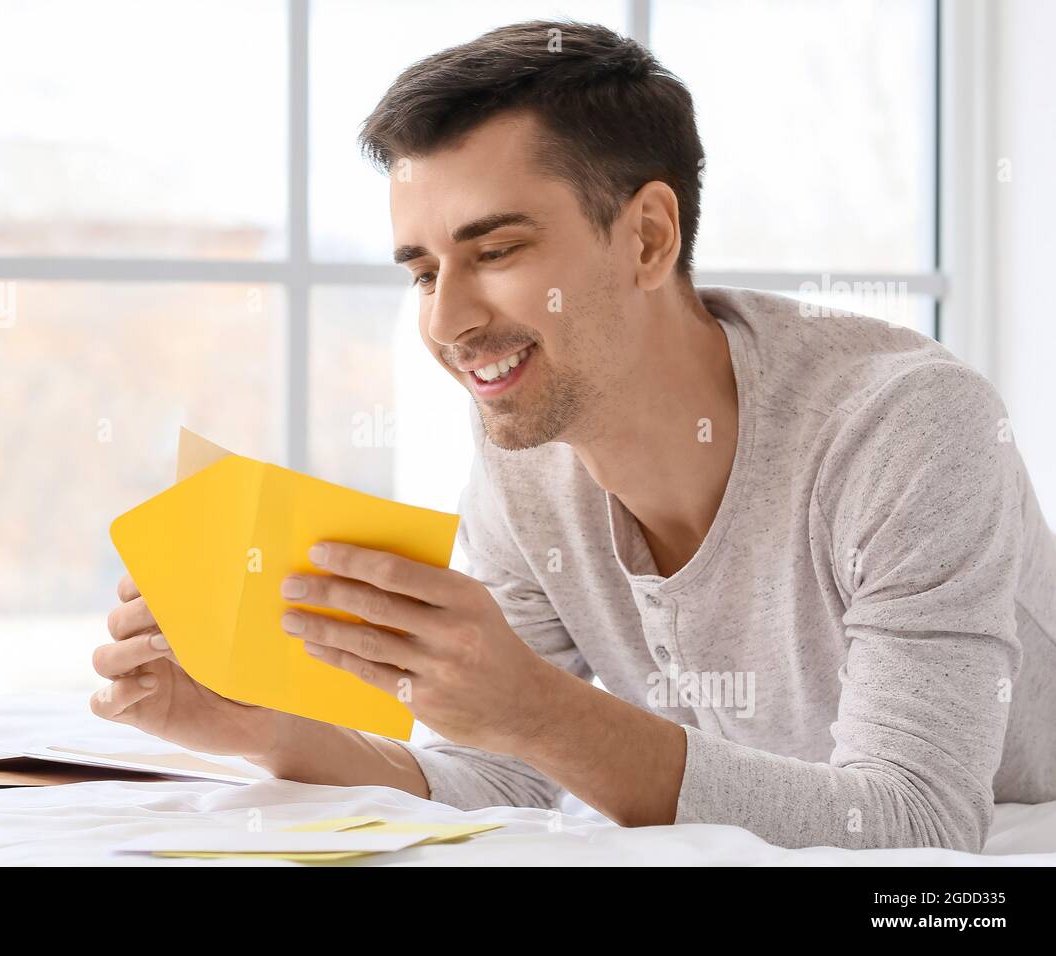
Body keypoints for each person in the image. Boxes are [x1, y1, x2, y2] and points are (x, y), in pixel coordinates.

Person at [92, 20, 1056, 852]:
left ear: (646, 238)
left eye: (498, 252)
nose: (447, 323)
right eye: (424, 272)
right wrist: (263, 730)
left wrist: (540, 709)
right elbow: (501, 776)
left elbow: (918, 825)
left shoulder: (910, 427)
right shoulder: (530, 452)